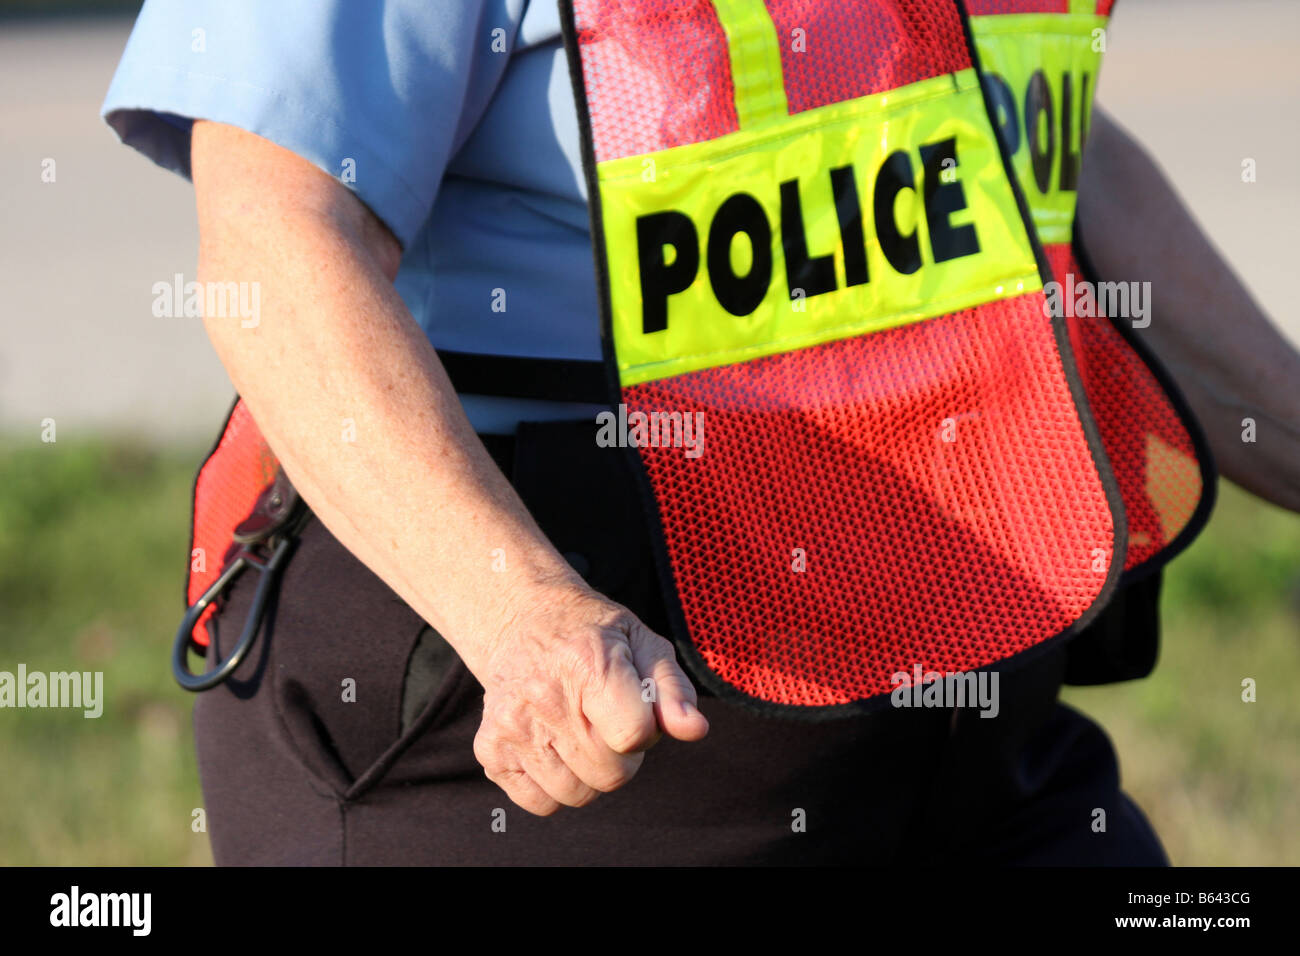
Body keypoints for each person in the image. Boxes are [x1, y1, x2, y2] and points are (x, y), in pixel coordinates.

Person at [101, 0, 1299, 865]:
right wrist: (523, 615)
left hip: (953, 676)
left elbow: (1033, 148)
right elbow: (276, 236)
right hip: (560, 690)